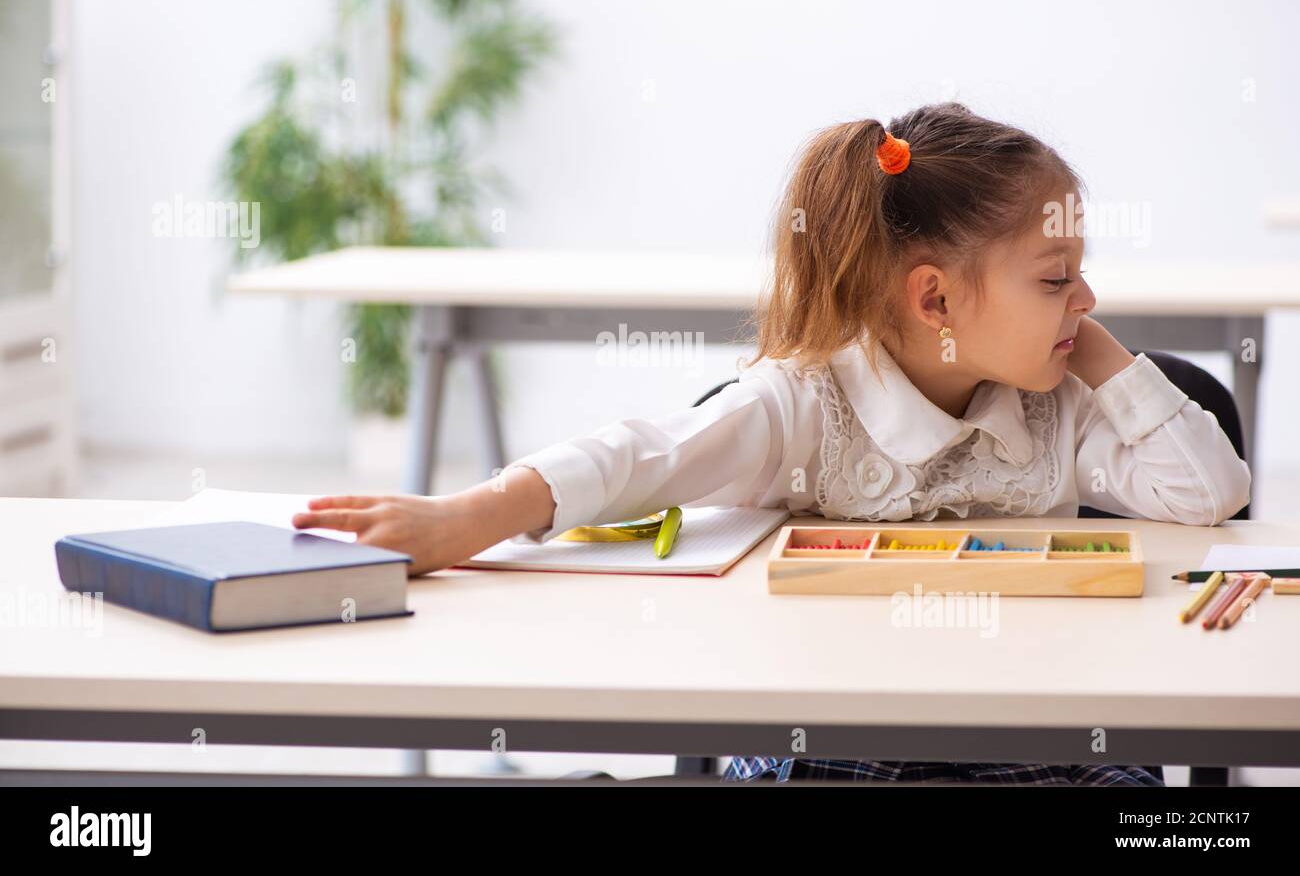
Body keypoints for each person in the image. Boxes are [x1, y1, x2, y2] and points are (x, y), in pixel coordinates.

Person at [293, 102, 1251, 785]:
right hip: (836, 744)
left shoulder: (1061, 404)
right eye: (1057, 278)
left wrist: (1095, 350)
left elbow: (1208, 493)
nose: (1087, 300)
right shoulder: (803, 405)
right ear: (936, 298)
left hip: (1036, 739)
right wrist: (470, 515)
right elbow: (640, 456)